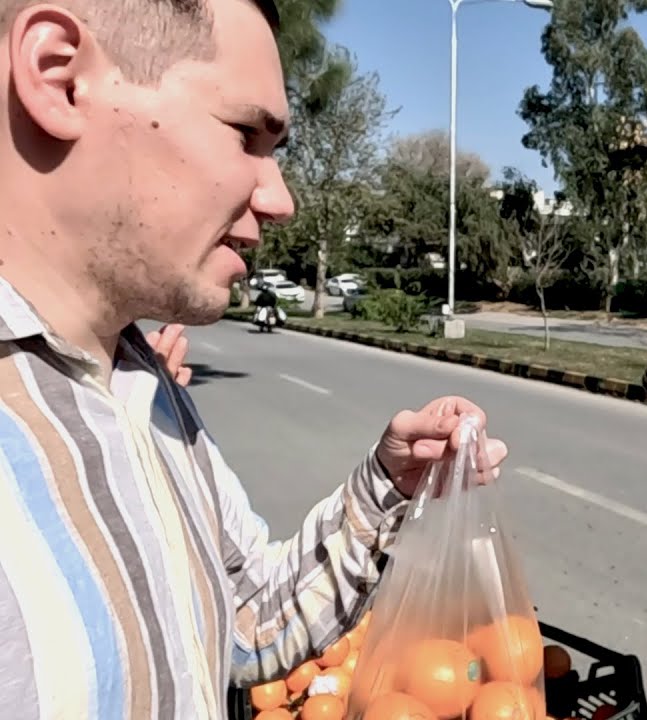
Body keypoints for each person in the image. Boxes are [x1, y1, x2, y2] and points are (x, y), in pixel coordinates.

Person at [0, 1, 507, 718]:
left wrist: (390, 486)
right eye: (246, 135)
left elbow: (245, 622)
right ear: (60, 78)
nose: (279, 199)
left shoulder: (143, 385)